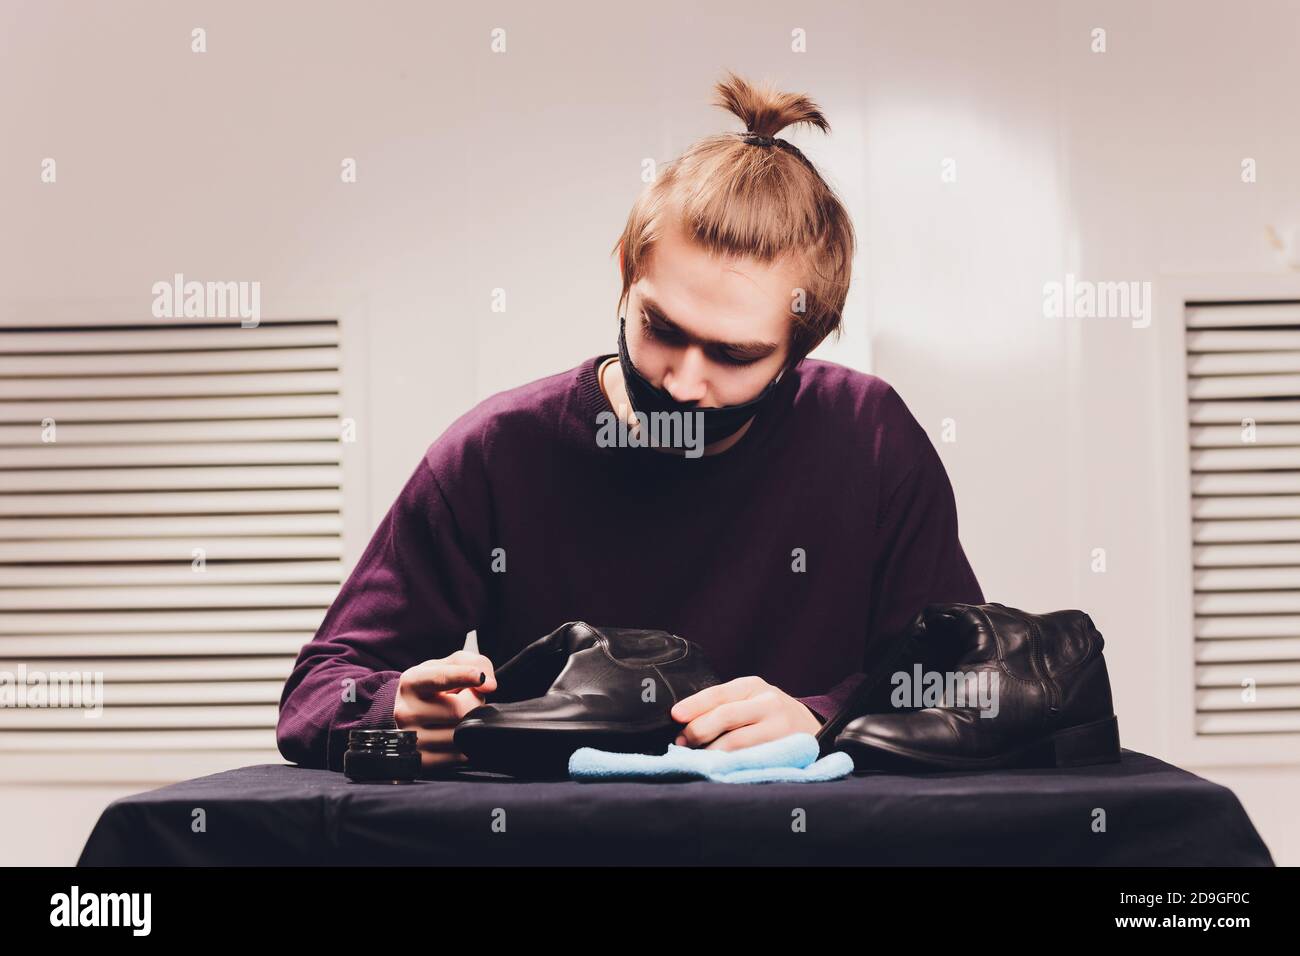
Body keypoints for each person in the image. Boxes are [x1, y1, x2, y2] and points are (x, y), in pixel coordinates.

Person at [276, 70, 984, 773]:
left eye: (734, 355)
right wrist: (393, 711)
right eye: (662, 329)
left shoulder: (872, 438)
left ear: (804, 344)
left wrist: (822, 716)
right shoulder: (493, 453)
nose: (682, 381)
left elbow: (966, 676)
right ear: (625, 272)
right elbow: (318, 690)